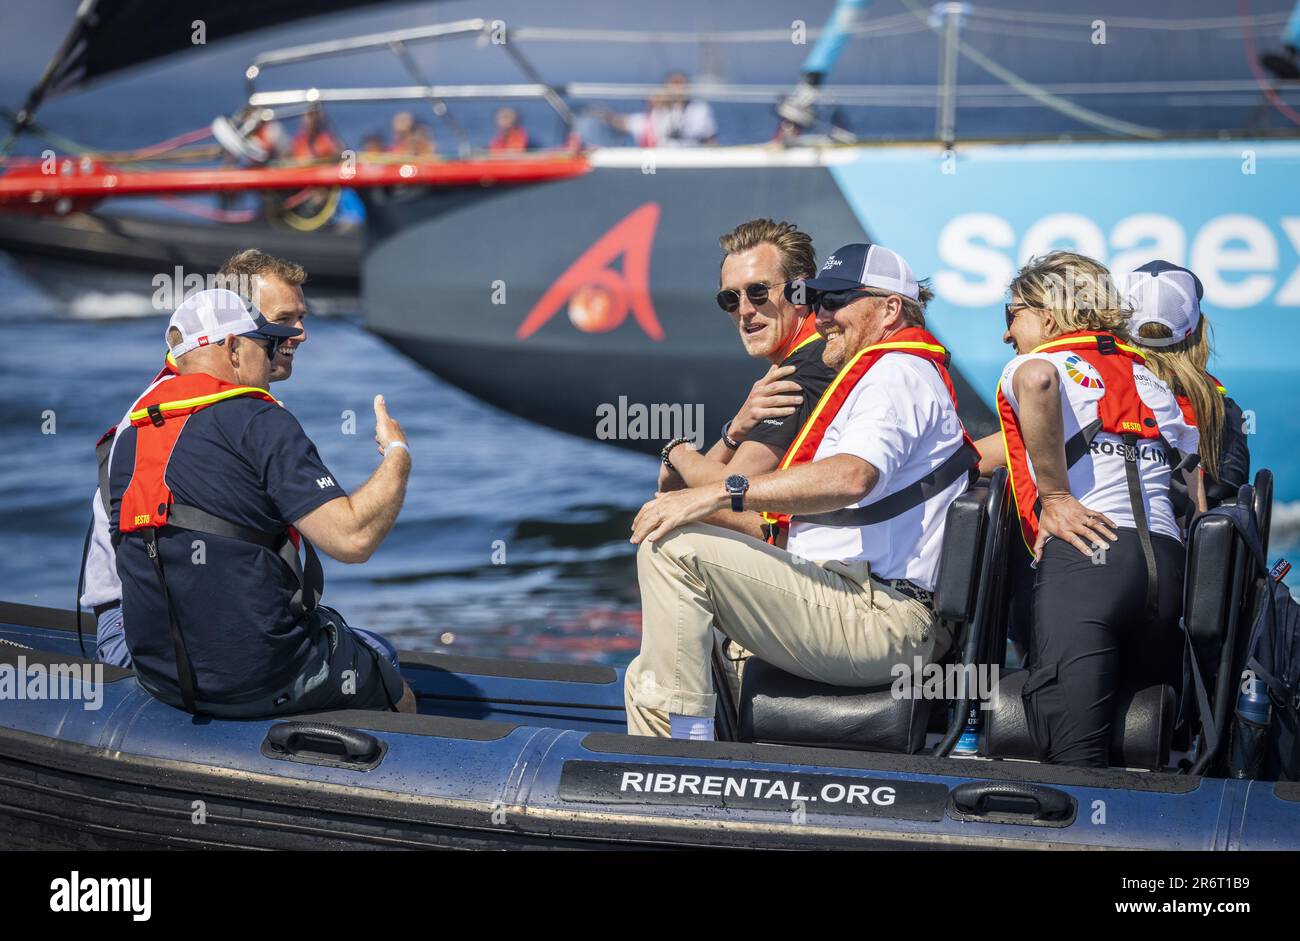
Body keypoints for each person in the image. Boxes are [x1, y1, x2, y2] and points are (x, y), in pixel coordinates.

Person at [625, 243, 977, 739]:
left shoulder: (895, 373)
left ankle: (683, 760)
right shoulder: (880, 373)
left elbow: (853, 476)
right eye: (816, 300)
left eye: (835, 301)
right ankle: (669, 757)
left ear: (890, 308)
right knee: (644, 673)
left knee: (674, 549)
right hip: (861, 601)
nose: (822, 315)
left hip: (884, 617)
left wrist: (708, 486)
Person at [107, 288, 416, 716]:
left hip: (163, 677)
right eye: (265, 343)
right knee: (391, 677)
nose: (273, 358)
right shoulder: (260, 420)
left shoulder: (129, 436)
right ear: (233, 348)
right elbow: (353, 540)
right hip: (262, 677)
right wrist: (397, 456)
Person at [979, 251, 1205, 767]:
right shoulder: (1154, 378)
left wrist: (1056, 496)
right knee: (1142, 750)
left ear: (1050, 318)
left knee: (1073, 756)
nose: (1007, 334)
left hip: (1089, 561)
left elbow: (1036, 379)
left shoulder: (1042, 362)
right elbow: (1193, 493)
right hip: (1166, 571)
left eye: (1012, 314)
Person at [83, 250, 317, 667]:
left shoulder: (189, 401)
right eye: (283, 319)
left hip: (183, 616)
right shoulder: (187, 418)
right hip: (144, 627)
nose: (299, 333)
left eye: (301, 318)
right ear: (235, 323)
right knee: (379, 659)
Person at [659, 219, 836, 543]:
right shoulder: (813, 352)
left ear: (800, 291)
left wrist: (678, 453)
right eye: (730, 298)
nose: (744, 310)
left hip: (835, 569)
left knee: (675, 514)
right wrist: (736, 430)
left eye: (758, 292)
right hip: (823, 549)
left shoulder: (804, 369)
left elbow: (730, 484)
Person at [1120, 260, 1250, 514]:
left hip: (1110, 543)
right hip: (1191, 546)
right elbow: (1230, 498)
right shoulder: (1224, 411)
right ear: (1199, 330)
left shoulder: (1101, 393)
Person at [604, 72, 717, 147]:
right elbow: (624, 123)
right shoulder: (655, 113)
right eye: (673, 84)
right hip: (660, 160)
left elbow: (708, 137)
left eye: (681, 84)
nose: (677, 89)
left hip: (690, 157)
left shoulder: (699, 109)